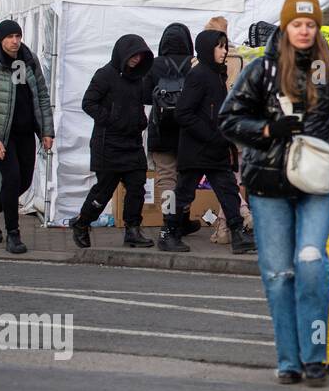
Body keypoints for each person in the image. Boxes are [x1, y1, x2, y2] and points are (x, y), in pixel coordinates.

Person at [218, 0, 329, 385]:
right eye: (297, 23)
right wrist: (266, 128)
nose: (303, 31)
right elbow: (227, 119)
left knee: (311, 265)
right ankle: (289, 361)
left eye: (310, 24)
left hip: (318, 186)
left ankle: (315, 356)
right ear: (286, 26)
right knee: (280, 275)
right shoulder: (261, 71)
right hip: (268, 187)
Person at [160, 29, 256, 254]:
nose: (224, 51)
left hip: (215, 149)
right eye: (220, 47)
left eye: (224, 46)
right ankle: (168, 232)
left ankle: (238, 233)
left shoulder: (215, 75)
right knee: (183, 193)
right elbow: (183, 113)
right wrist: (212, 135)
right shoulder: (199, 75)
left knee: (228, 190)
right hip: (197, 149)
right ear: (206, 49)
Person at [0, 20, 55, 254]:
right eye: (10, 37)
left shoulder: (29, 60)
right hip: (2, 137)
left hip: (27, 132)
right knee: (12, 179)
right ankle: (13, 234)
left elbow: (42, 97)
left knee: (25, 182)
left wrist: (46, 131)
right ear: (0, 39)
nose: (15, 41)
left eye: (18, 36)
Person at [71, 34, 156, 250]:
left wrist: (140, 120)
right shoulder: (105, 75)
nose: (136, 59)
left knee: (137, 187)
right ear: (122, 53)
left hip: (132, 142)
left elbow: (138, 104)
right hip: (107, 144)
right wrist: (112, 119)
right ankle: (82, 223)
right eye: (133, 55)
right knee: (103, 191)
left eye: (140, 55)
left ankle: (133, 229)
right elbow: (88, 103)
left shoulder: (139, 79)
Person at [142, 23, 196, 245]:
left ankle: (168, 221)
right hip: (188, 130)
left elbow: (145, 96)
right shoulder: (194, 65)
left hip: (161, 129)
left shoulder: (153, 66)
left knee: (166, 178)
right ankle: (182, 219)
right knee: (186, 178)